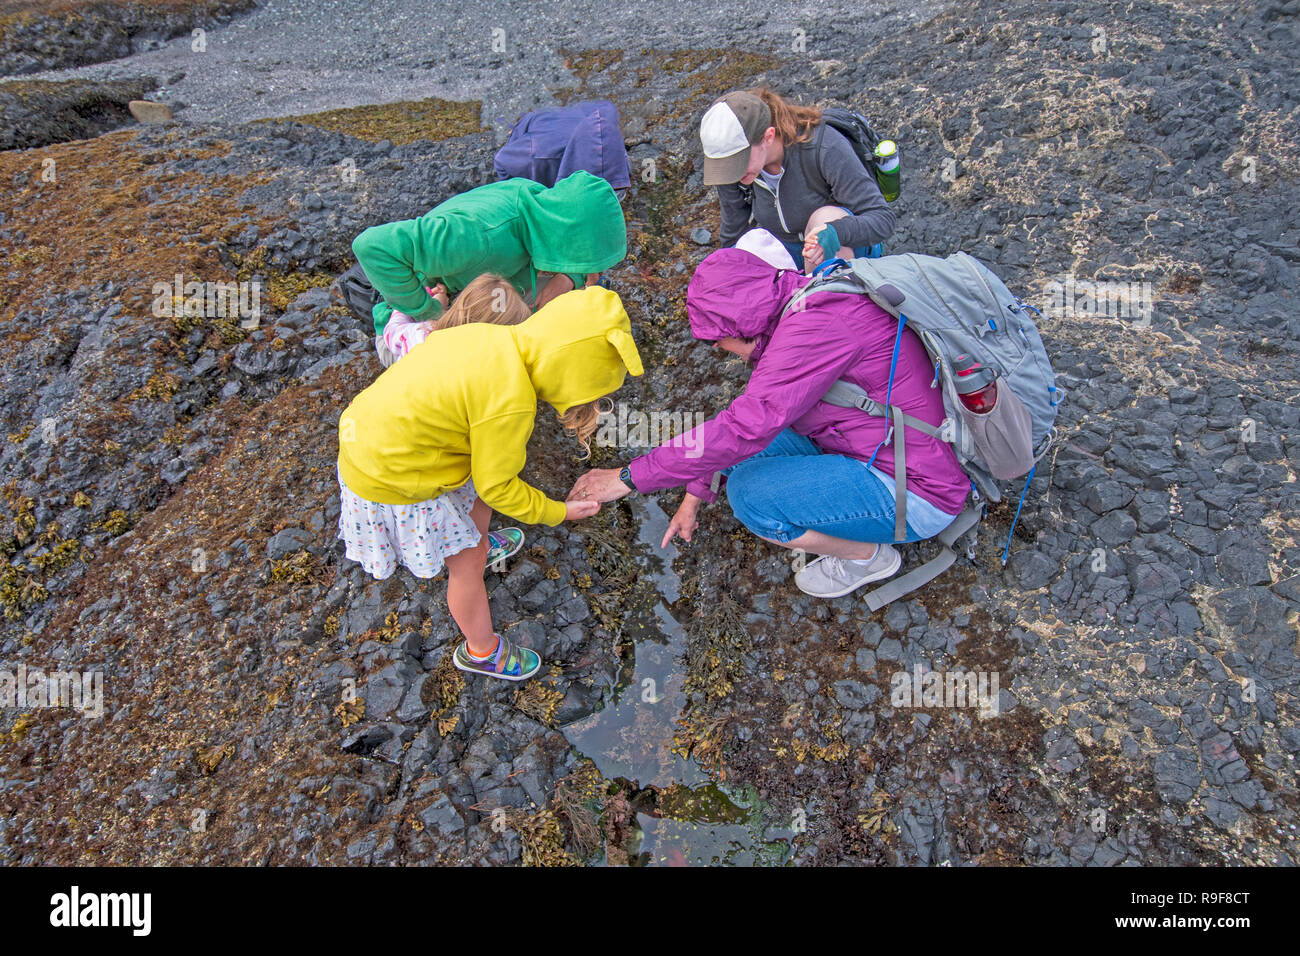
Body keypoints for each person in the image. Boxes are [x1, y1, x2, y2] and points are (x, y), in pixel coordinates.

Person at [566, 248, 968, 600]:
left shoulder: (813, 330)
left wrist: (627, 478)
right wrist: (694, 495)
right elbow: (741, 432)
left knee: (750, 497)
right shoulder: (812, 298)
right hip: (882, 445)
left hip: (918, 492)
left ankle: (868, 558)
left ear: (740, 324)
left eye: (718, 341)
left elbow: (743, 428)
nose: (722, 351)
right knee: (744, 451)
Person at [336, 285, 644, 680]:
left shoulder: (485, 334)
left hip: (374, 440)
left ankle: (476, 537)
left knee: (480, 486)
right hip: (395, 479)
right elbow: (499, 487)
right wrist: (558, 511)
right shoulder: (511, 398)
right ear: (569, 374)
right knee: (467, 567)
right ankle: (481, 649)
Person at [352, 169, 627, 366]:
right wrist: (431, 310)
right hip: (413, 333)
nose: (594, 277)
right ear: (567, 235)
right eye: (591, 265)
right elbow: (371, 247)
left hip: (476, 295)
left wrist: (570, 277)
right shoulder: (475, 236)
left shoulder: (542, 204)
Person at [700, 88, 896, 274]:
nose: (733, 172)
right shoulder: (734, 171)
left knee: (823, 218)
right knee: (738, 256)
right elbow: (733, 235)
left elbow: (882, 218)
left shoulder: (825, 147)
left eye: (738, 161)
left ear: (768, 137)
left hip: (843, 246)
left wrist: (835, 232)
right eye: (726, 165)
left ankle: (830, 299)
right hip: (788, 251)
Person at [378, 273, 531, 365]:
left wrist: (409, 306)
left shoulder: (423, 334)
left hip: (403, 364)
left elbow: (391, 332)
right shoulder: (485, 361)